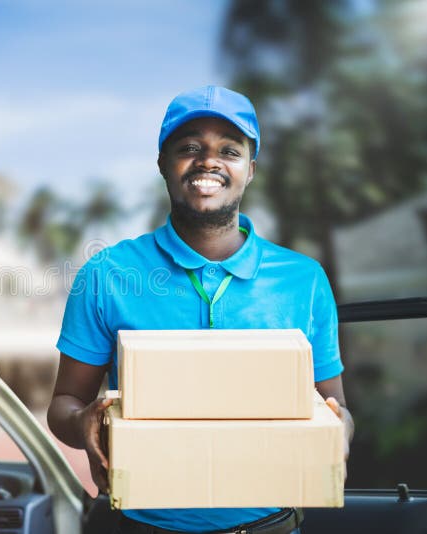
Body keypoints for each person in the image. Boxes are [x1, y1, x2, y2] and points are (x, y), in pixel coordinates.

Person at [47, 85, 354, 534]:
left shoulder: (303, 279)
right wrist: (82, 422)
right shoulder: (106, 273)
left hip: (273, 525)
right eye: (189, 148)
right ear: (163, 164)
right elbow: (63, 403)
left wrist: (336, 433)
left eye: (229, 150)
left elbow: (336, 406)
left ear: (250, 170)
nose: (208, 161)